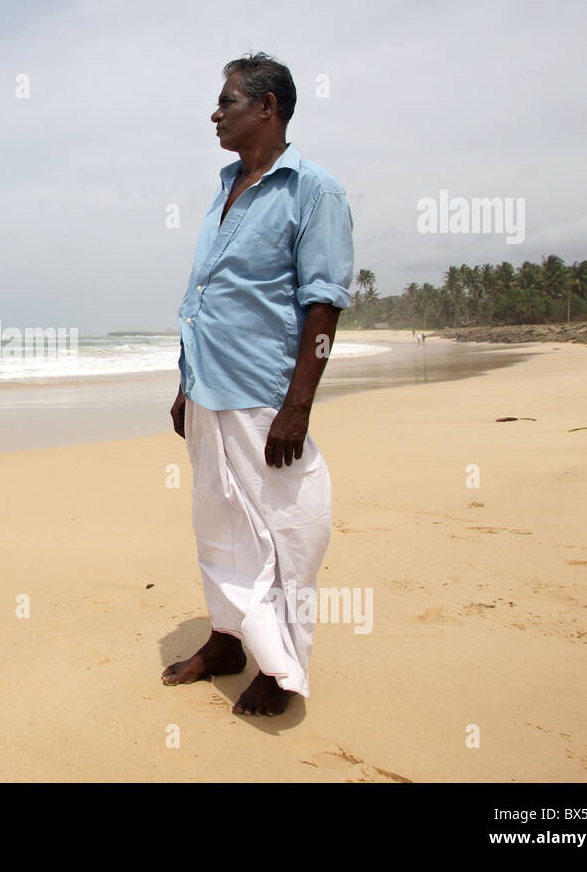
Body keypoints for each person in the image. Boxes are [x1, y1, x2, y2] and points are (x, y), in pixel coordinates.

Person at [165, 52, 354, 717]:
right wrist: (186, 382)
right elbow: (209, 296)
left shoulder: (313, 190)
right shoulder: (227, 187)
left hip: (263, 392)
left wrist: (298, 405)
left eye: (229, 102)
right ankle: (226, 639)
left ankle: (283, 666)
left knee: (287, 526)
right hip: (208, 388)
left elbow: (324, 303)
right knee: (215, 517)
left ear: (268, 106)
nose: (216, 114)